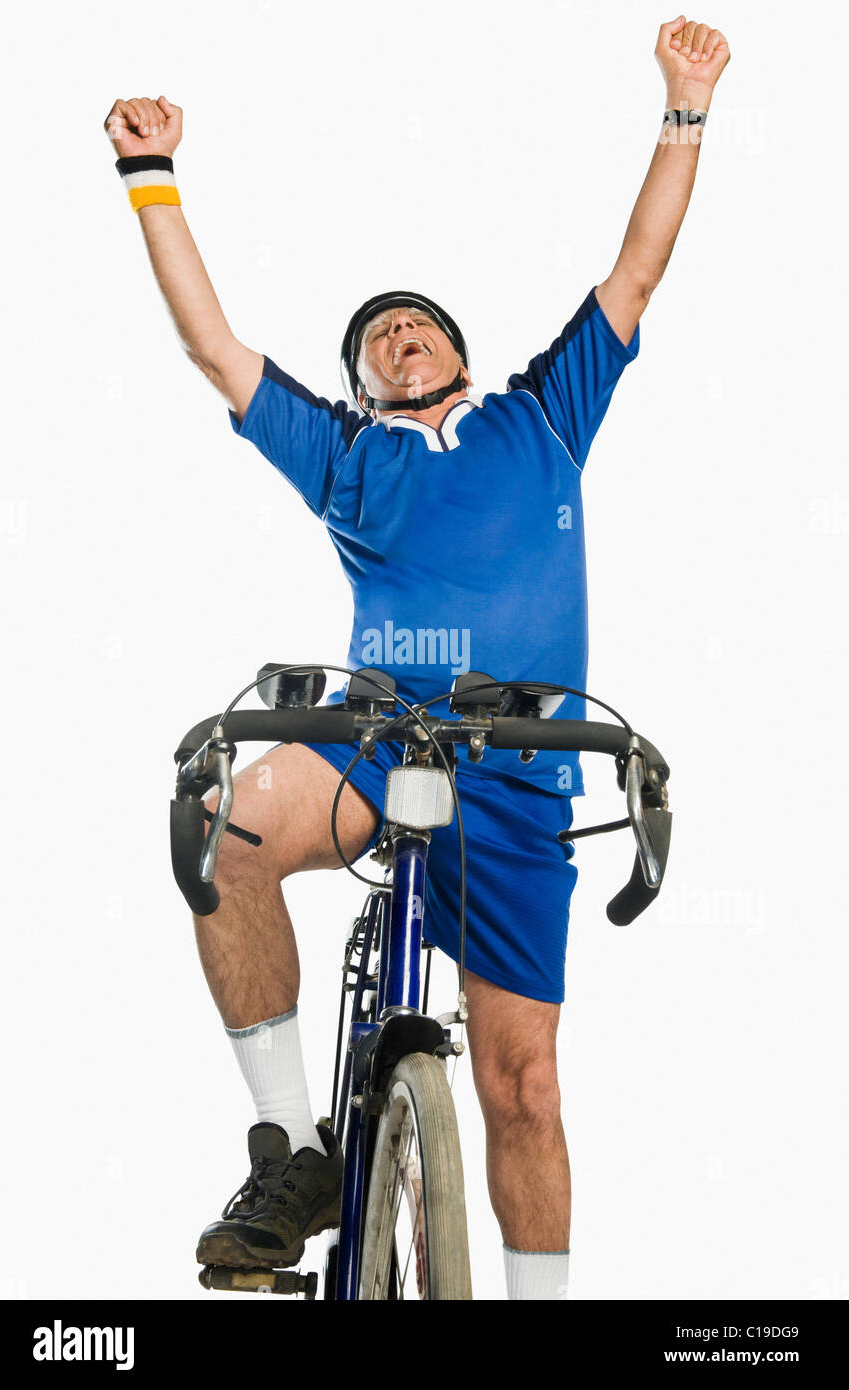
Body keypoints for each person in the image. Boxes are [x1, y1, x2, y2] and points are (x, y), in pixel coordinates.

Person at [104, 14, 729, 1300]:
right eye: (375, 333)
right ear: (362, 381)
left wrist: (682, 107)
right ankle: (288, 1148)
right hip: (377, 742)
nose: (398, 334)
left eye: (416, 324)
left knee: (526, 1085)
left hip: (518, 770)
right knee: (227, 824)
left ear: (454, 350)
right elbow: (213, 346)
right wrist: (151, 177)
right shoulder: (348, 458)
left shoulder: (541, 414)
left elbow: (637, 267)